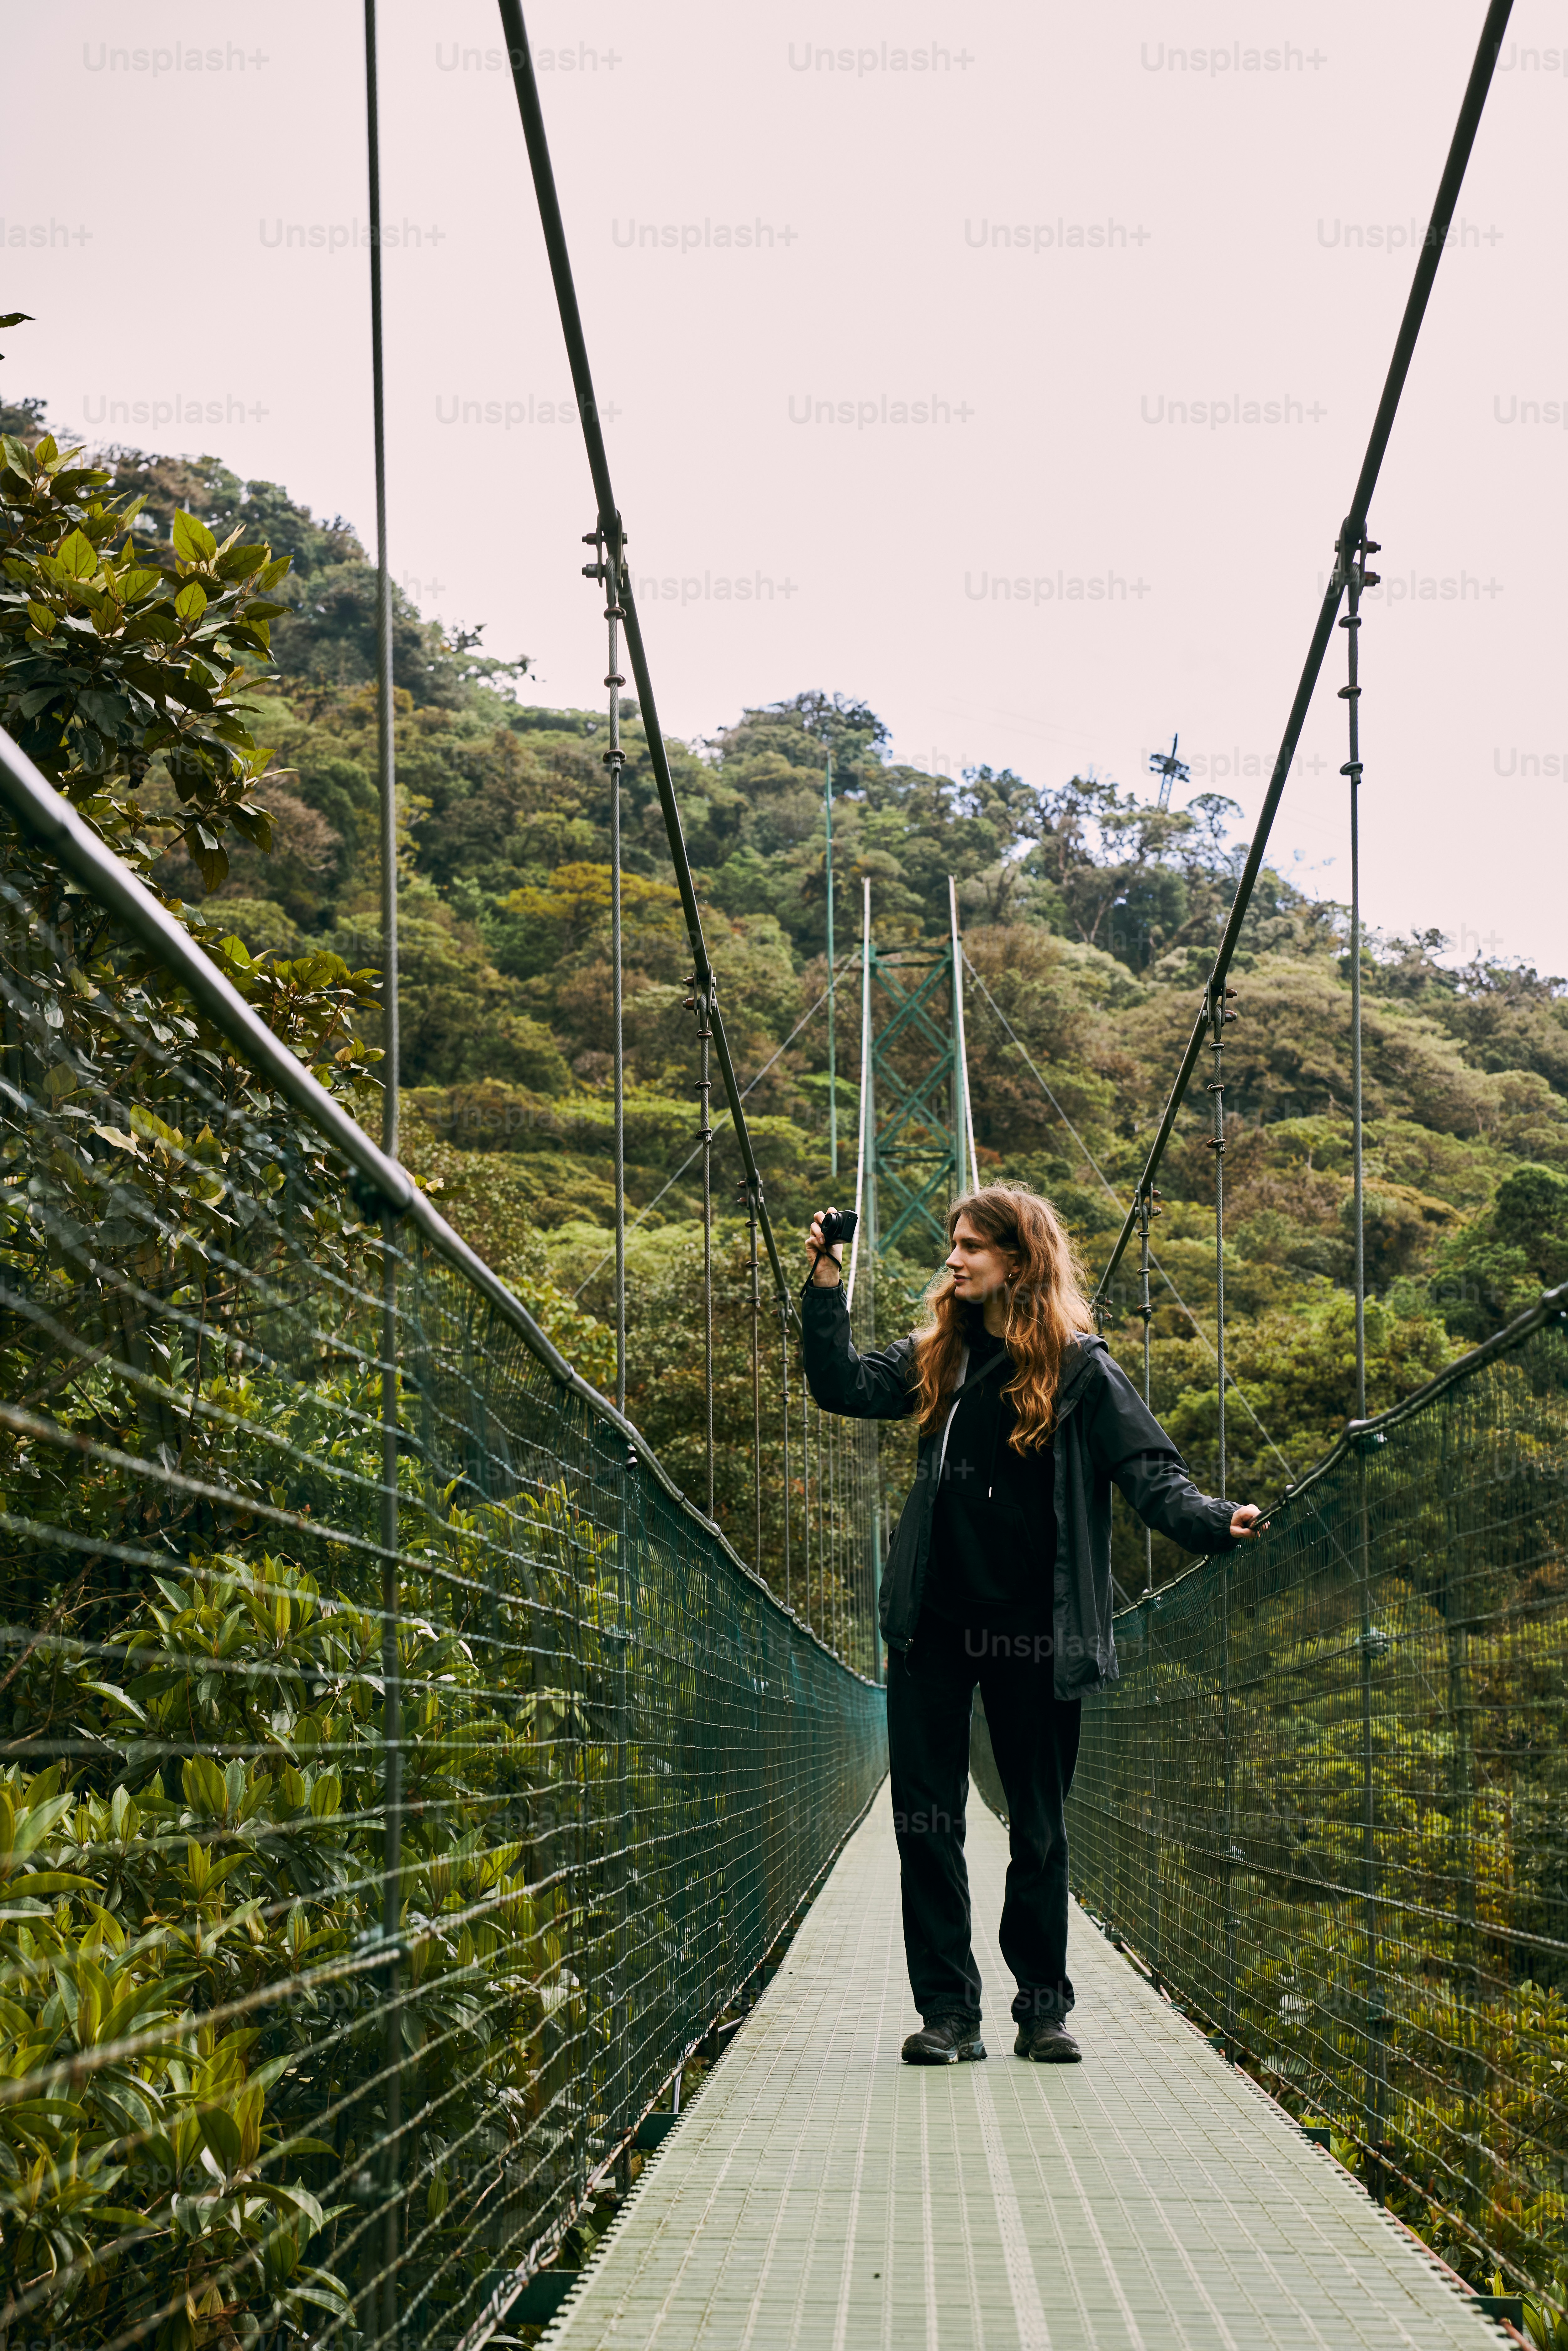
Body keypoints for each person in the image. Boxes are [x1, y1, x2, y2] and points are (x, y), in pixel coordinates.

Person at [801, 1182, 1265, 2067]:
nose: (952, 1259)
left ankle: (1041, 2009)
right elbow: (842, 1385)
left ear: (1015, 1260)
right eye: (952, 1243)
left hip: (1036, 1632)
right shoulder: (938, 1355)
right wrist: (826, 1280)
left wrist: (1213, 1520)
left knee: (1038, 1827)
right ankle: (948, 2013)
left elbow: (1150, 1474)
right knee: (926, 1822)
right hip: (931, 1627)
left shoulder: (1082, 1369)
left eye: (970, 1246)